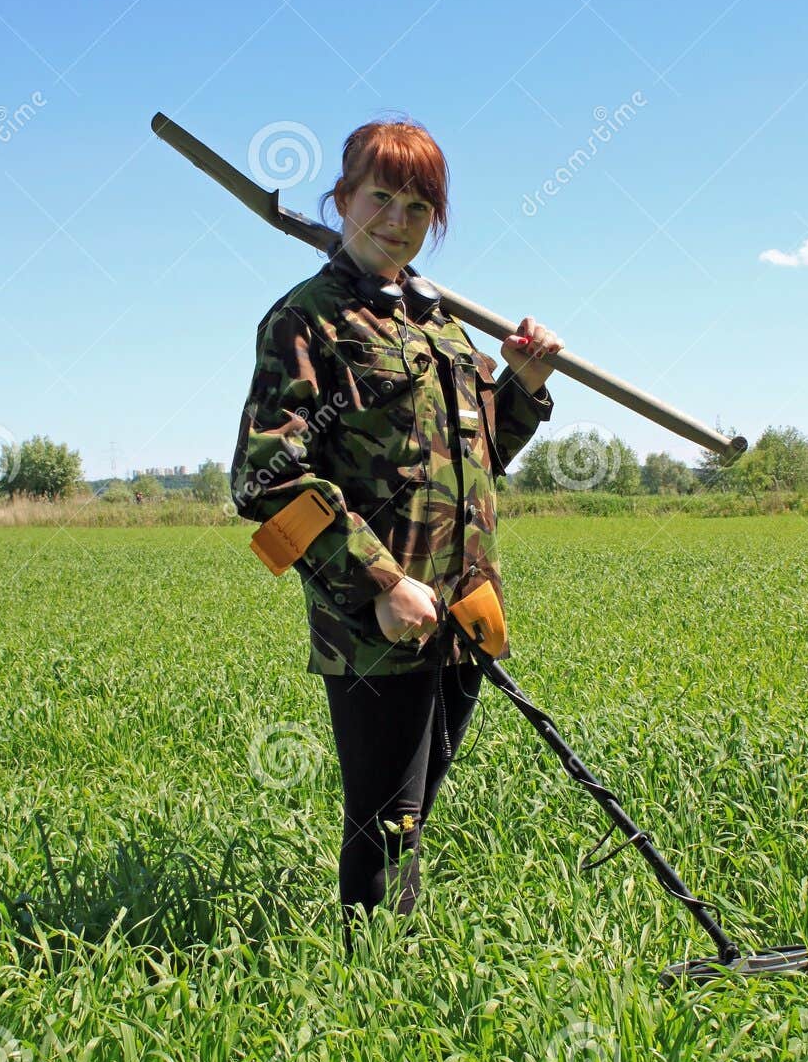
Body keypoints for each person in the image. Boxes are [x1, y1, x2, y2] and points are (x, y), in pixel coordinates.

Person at [230, 116, 561, 955]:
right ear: (342, 199)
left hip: (465, 608)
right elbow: (265, 481)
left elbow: (475, 457)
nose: (398, 220)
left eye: (418, 207)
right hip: (378, 620)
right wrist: (379, 583)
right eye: (380, 197)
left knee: (413, 813)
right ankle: (369, 988)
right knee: (385, 818)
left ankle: (393, 970)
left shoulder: (440, 324)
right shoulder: (307, 321)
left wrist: (521, 387)